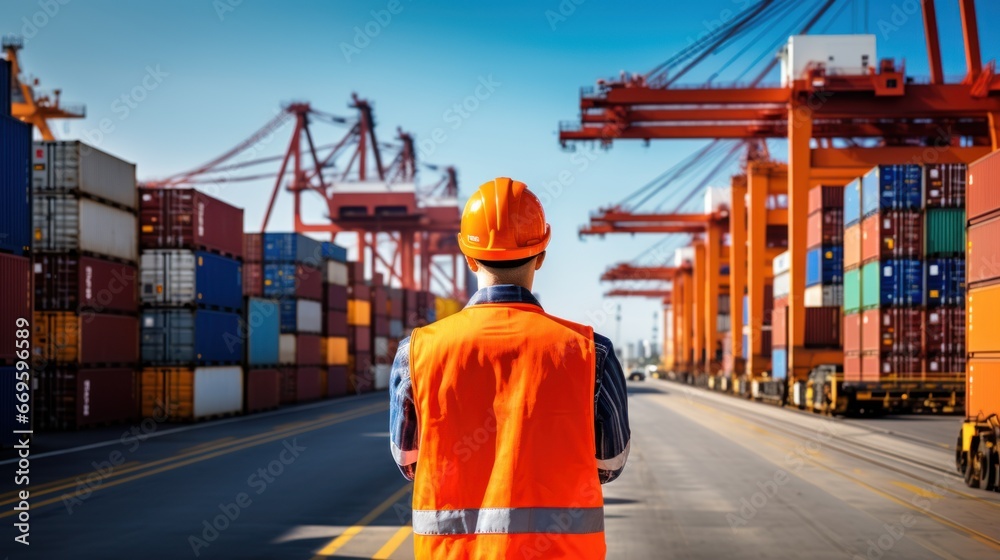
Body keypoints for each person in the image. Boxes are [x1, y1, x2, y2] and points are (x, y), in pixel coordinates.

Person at [389, 177, 631, 559]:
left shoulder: (416, 351)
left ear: (469, 258)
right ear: (541, 255)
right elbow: (610, 463)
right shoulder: (592, 351)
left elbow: (408, 461)